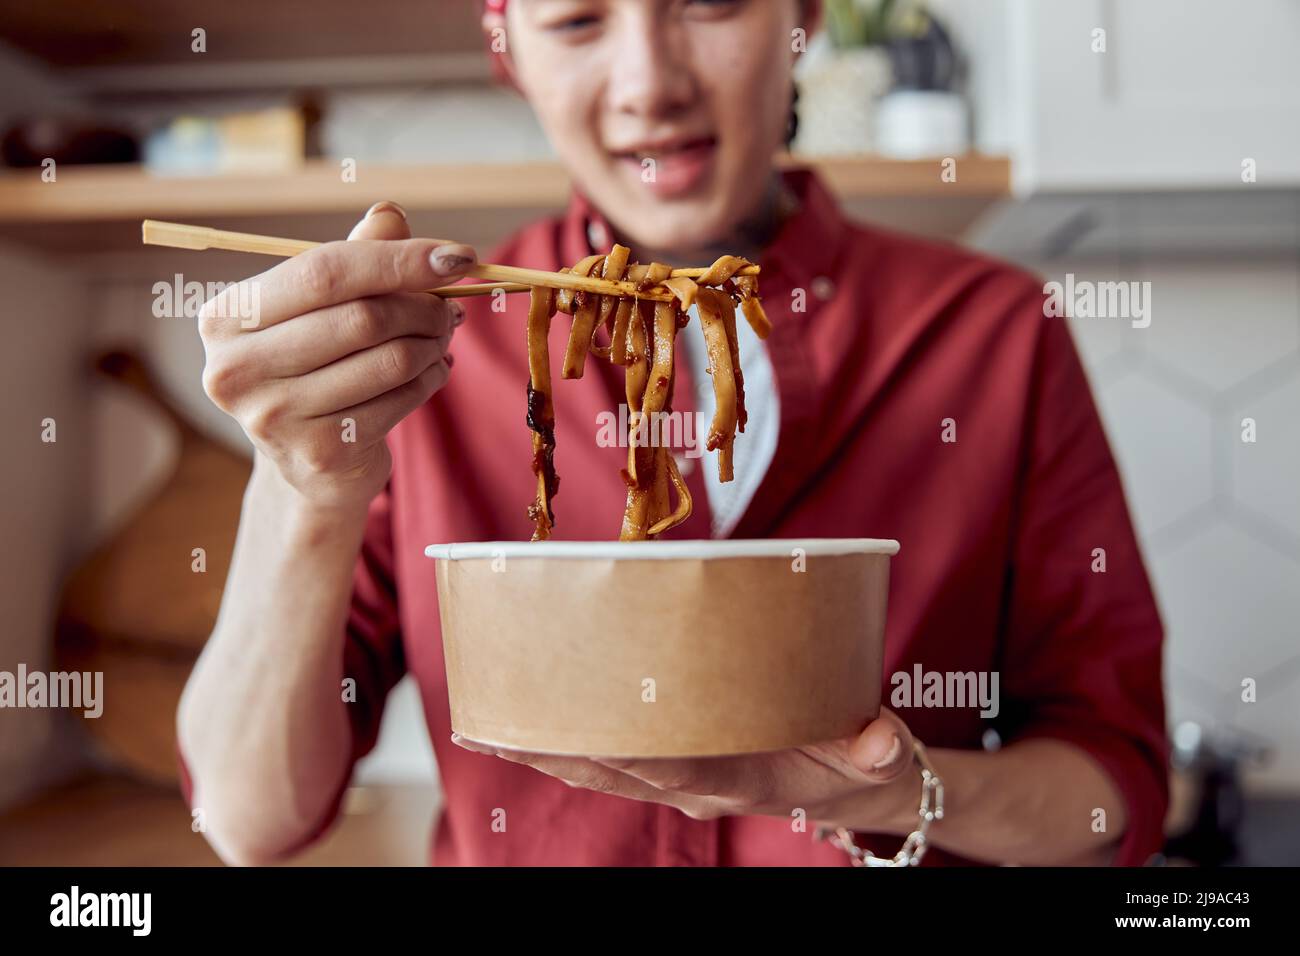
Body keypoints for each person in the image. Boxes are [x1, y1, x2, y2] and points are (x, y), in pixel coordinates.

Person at [177, 0, 1167, 867]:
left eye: (711, 1)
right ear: (506, 46)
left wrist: (891, 792)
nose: (649, 84)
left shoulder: (991, 332)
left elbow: (1108, 789)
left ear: (803, 19)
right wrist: (300, 487)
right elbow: (248, 816)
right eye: (575, 19)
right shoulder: (431, 352)